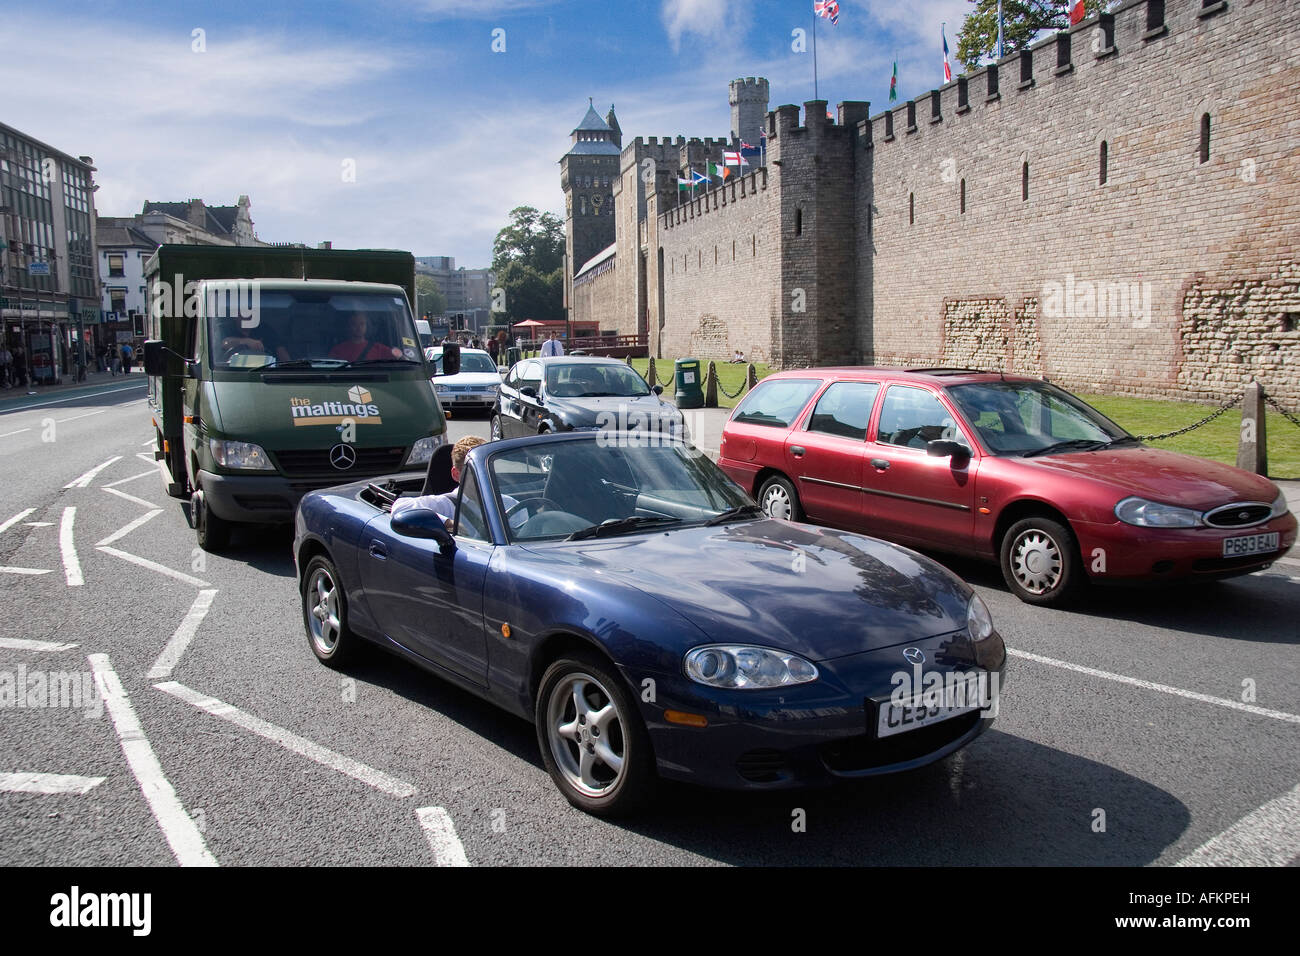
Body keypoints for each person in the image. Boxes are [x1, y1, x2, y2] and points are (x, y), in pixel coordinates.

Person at [391, 436, 518, 530]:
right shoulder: (445, 504)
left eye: (488, 468)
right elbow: (399, 507)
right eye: (475, 471)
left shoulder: (508, 503)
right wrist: (448, 523)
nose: (485, 475)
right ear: (456, 474)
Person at [328, 311, 395, 362]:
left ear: (367, 326)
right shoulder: (338, 350)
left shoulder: (378, 348)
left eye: (362, 324)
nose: (359, 328)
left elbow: (399, 356)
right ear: (348, 327)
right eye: (354, 324)